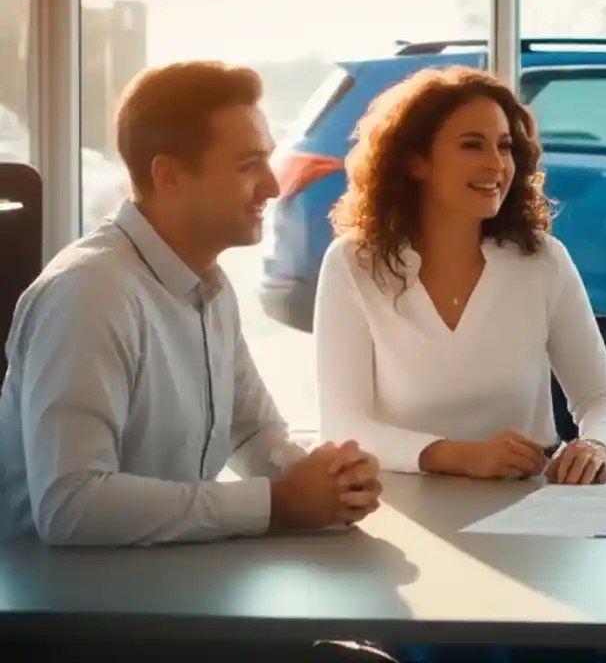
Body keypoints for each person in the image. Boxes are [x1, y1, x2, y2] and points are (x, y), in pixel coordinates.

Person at [314, 67, 606, 663]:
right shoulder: (354, 265)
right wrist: (455, 455)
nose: (498, 163)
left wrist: (596, 446)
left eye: (506, 146)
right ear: (414, 161)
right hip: (413, 533)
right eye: (472, 145)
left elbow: (604, 399)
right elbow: (343, 423)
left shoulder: (540, 260)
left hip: (535, 523)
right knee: (470, 651)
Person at [0, 61, 382, 547]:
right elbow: (72, 505)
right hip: (71, 612)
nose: (272, 185)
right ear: (170, 175)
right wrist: (278, 502)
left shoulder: (208, 285)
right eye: (248, 166)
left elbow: (251, 435)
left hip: (162, 588)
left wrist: (329, 478)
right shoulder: (89, 294)